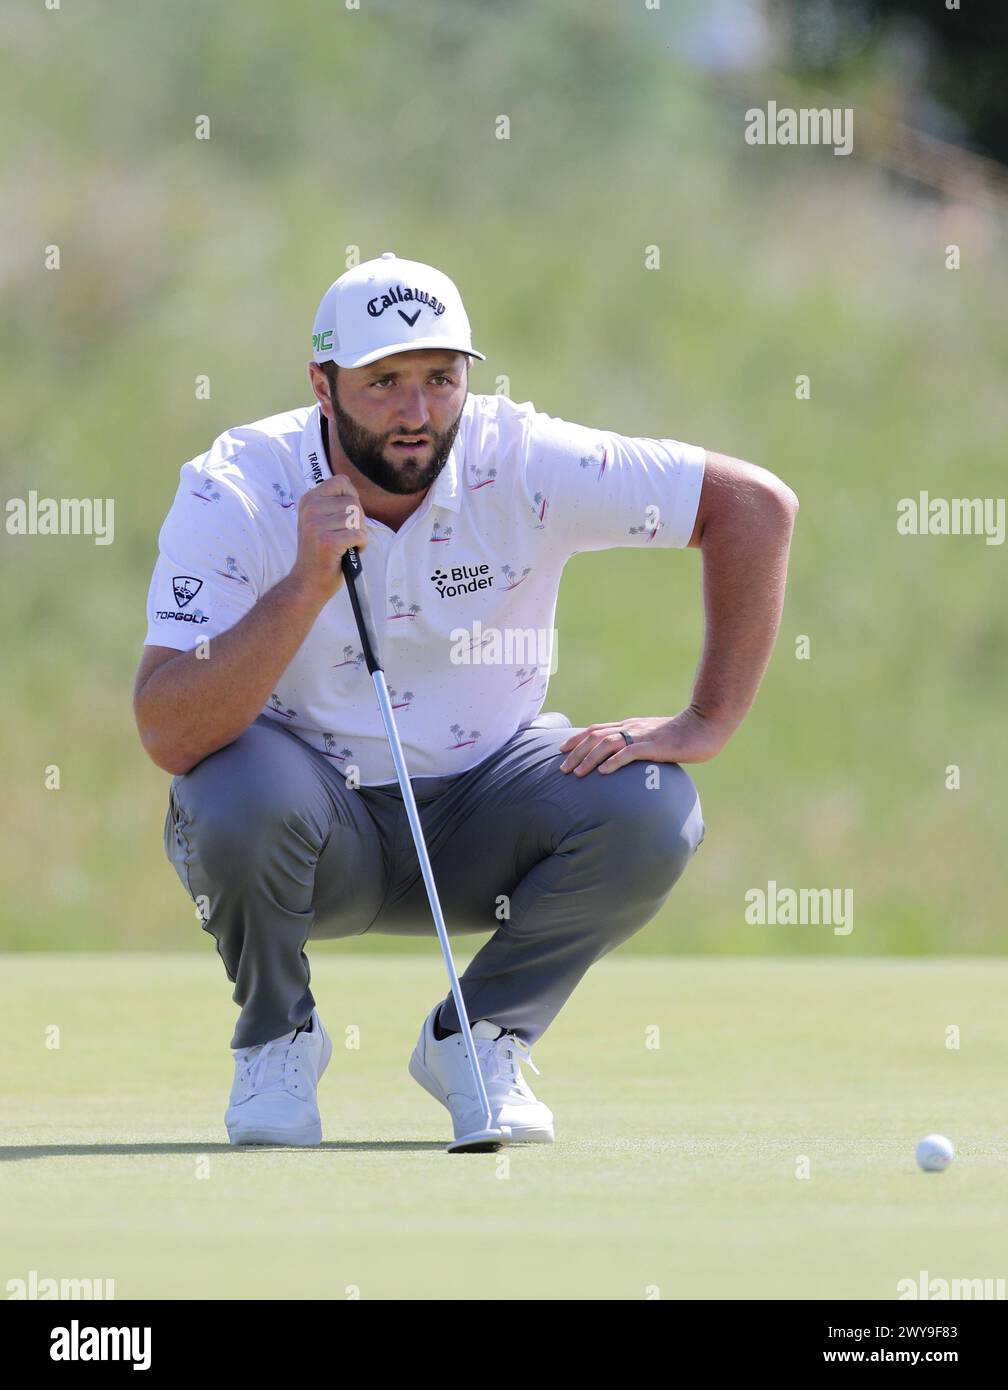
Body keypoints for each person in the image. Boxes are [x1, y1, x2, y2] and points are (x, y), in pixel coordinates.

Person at [133, 252, 798, 1148]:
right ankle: (277, 1038)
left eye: (441, 381)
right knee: (228, 787)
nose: (416, 414)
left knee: (651, 802)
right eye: (386, 383)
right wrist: (302, 588)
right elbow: (169, 728)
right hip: (310, 834)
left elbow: (754, 507)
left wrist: (706, 722)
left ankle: (478, 1036)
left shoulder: (520, 457)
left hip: (484, 821)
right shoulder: (237, 484)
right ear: (323, 387)